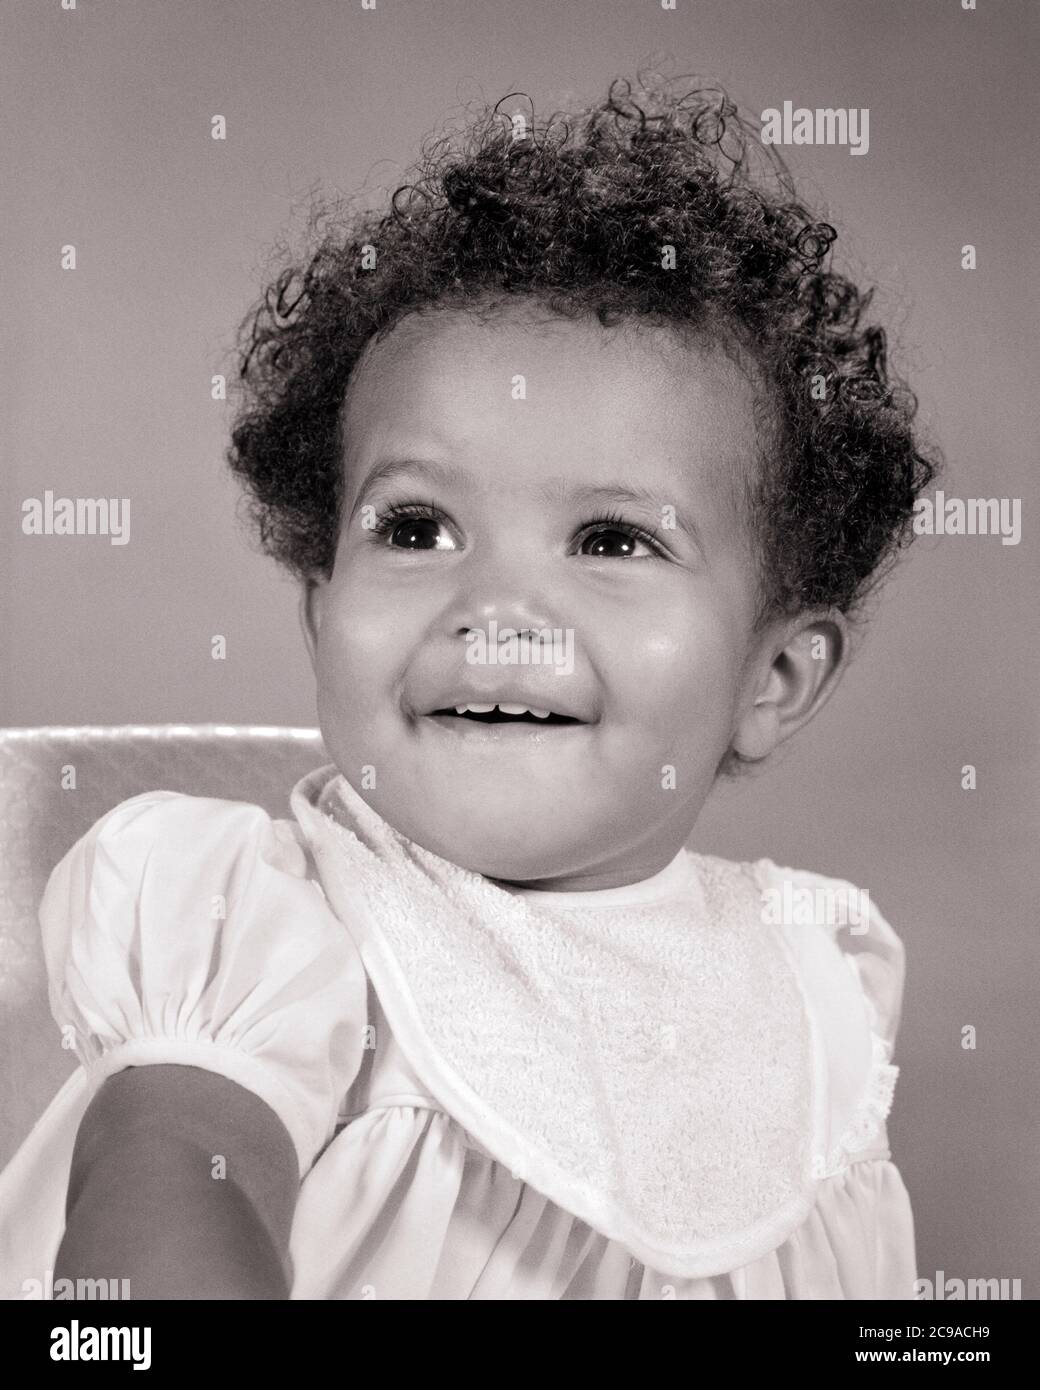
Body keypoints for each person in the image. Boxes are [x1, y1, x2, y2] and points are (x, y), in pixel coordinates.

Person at [0, 74, 938, 1299]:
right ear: (319, 602)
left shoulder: (815, 984)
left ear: (770, 677)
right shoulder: (256, 929)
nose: (493, 609)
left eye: (610, 542)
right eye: (416, 527)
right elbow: (158, 1230)